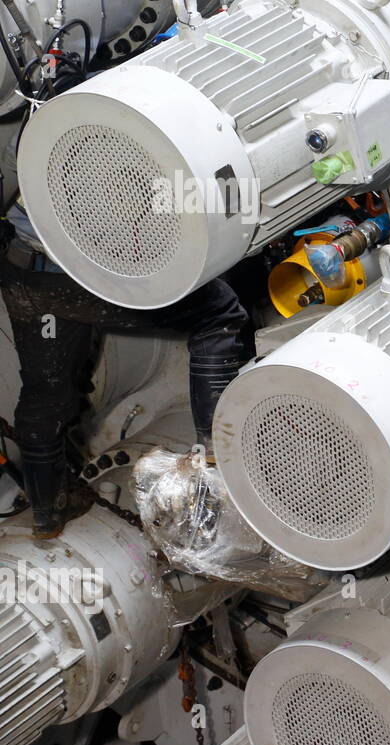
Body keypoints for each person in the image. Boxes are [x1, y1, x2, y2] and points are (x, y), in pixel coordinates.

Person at [0, 197, 250, 539]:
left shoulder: (22, 141)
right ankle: (215, 464)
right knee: (220, 314)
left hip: (28, 274)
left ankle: (47, 509)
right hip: (88, 275)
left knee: (44, 391)